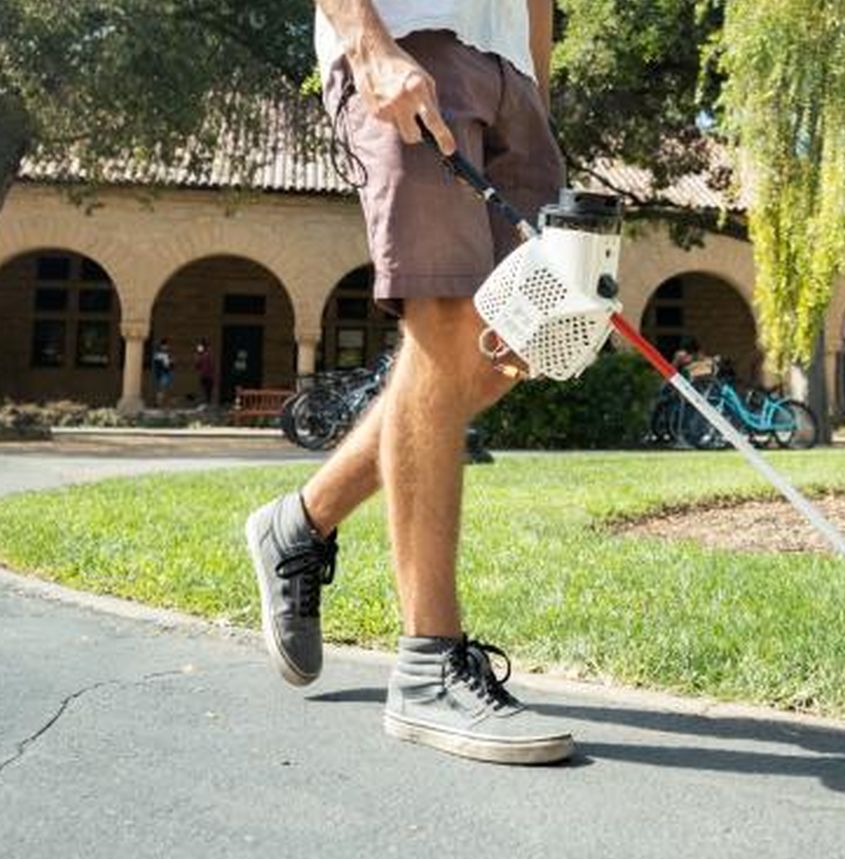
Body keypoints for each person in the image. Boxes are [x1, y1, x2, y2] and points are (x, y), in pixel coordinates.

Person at [245, 0, 572, 765]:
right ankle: (428, 666)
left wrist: (537, 96)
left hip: (513, 78)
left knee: (514, 341)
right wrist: (369, 45)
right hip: (414, 45)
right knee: (446, 314)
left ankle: (301, 521)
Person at [150, 338, 174, 407]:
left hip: (168, 373)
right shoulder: (158, 355)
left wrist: (171, 363)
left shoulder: (167, 354)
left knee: (167, 388)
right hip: (162, 373)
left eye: (167, 345)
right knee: (161, 388)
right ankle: (158, 403)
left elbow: (170, 364)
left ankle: (166, 403)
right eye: (165, 345)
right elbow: (158, 365)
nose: (166, 347)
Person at [194, 340, 215, 405]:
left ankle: (206, 402)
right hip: (207, 375)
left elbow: (197, 366)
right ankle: (206, 402)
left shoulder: (205, 355)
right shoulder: (207, 355)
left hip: (206, 375)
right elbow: (198, 365)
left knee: (206, 390)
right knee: (206, 391)